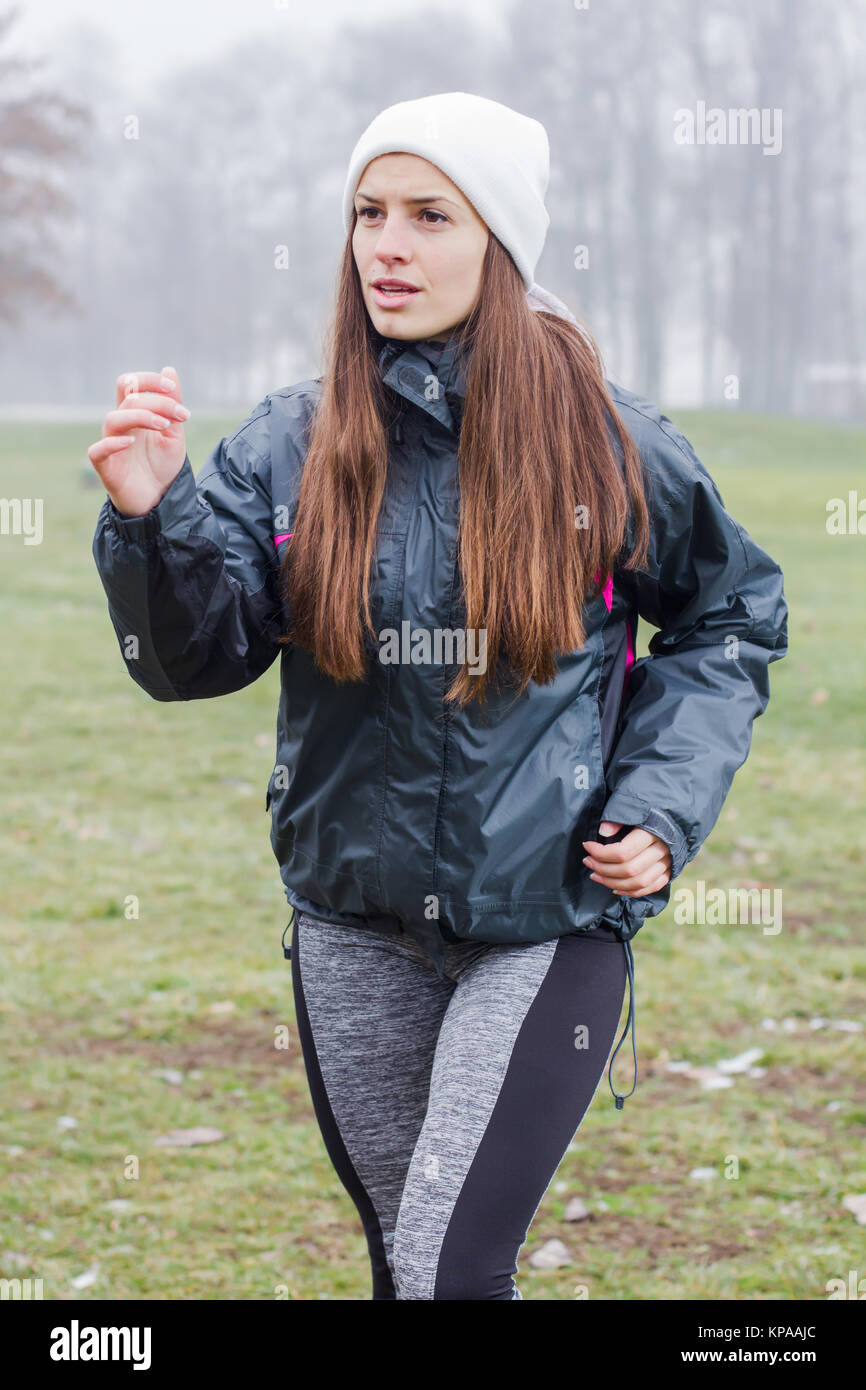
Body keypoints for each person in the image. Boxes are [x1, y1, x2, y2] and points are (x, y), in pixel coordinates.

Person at [89, 91, 788, 1300]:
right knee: (404, 1263)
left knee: (446, 1263)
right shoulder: (297, 439)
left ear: (499, 245)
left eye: (428, 214)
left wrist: (658, 804)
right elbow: (195, 658)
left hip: (544, 919)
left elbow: (731, 616)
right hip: (353, 922)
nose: (386, 246)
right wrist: (155, 519)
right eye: (367, 213)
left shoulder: (607, 444)